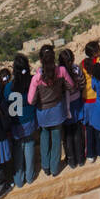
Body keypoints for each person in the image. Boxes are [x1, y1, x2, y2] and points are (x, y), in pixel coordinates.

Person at [28, 44, 75, 176]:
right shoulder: (61, 71)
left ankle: (46, 167)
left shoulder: (37, 78)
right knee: (56, 140)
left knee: (44, 138)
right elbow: (71, 87)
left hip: (43, 113)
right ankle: (54, 169)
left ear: (41, 59)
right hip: (57, 111)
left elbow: (31, 100)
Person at [5, 55, 38, 187]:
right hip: (29, 119)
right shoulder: (31, 82)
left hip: (16, 122)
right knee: (29, 146)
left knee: (18, 149)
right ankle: (30, 176)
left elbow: (8, 105)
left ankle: (19, 179)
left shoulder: (9, 87)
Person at [57, 48, 87, 168]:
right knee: (78, 131)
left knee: (68, 133)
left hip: (65, 105)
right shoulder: (76, 69)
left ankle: (71, 160)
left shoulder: (58, 73)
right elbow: (82, 84)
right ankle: (80, 158)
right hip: (77, 103)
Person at [80, 41, 100, 160]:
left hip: (87, 99)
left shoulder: (82, 64)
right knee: (99, 126)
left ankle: (90, 154)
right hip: (98, 98)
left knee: (88, 128)